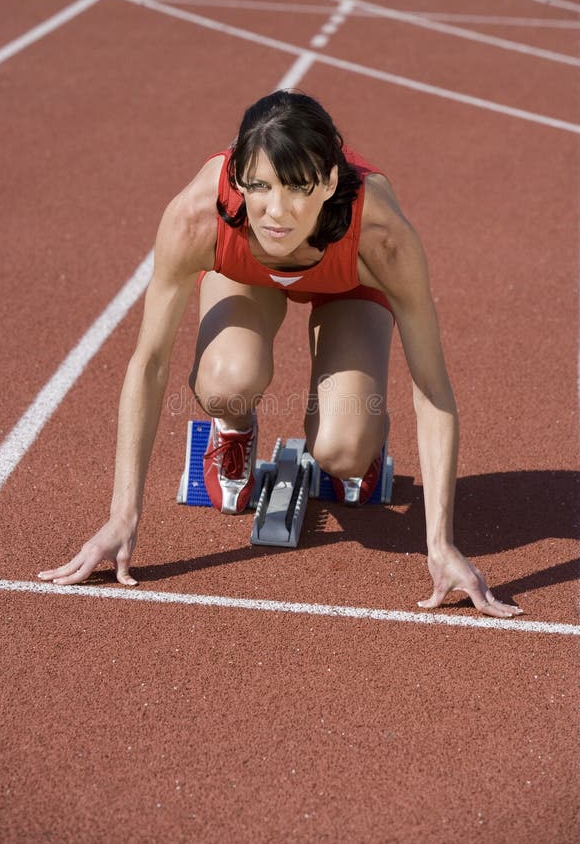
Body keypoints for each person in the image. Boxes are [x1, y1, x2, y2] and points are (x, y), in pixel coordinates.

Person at [38, 90, 522, 619]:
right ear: (239, 176)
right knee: (226, 382)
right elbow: (149, 362)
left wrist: (440, 544)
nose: (276, 211)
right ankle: (234, 431)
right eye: (260, 186)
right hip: (242, 274)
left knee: (343, 450)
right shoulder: (197, 218)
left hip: (347, 280)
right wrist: (121, 516)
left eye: (298, 188)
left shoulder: (380, 237)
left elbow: (432, 385)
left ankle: (364, 450)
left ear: (331, 181)